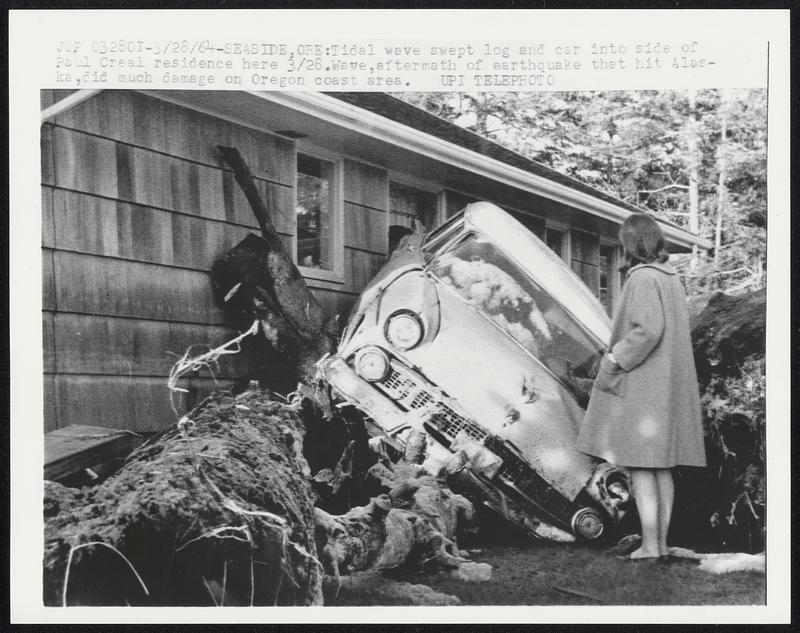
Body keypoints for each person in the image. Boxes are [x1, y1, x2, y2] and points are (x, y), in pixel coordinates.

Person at [576, 213, 706, 561]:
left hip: (646, 385)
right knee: (660, 467)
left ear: (630, 244)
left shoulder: (644, 277)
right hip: (665, 385)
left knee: (642, 466)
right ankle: (658, 545)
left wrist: (616, 357)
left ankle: (651, 546)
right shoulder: (669, 278)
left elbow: (648, 330)